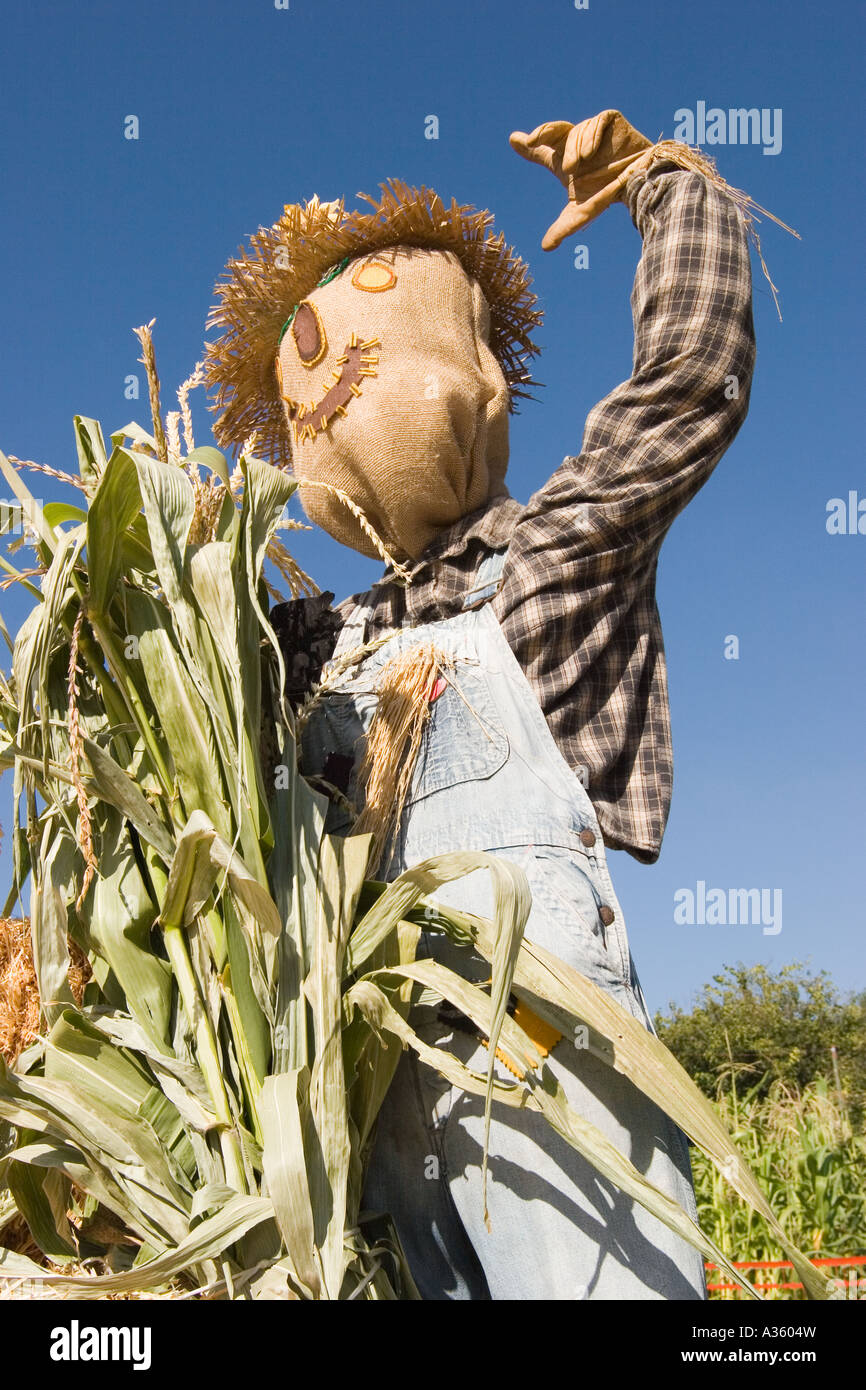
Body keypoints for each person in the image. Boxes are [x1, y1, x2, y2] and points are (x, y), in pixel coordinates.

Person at [206, 110, 756, 1299]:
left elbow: (686, 382)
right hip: (359, 1118)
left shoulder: (550, 567)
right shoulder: (302, 648)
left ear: (482, 381)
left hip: (541, 1075)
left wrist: (661, 187)